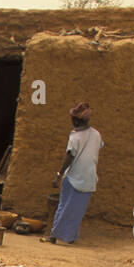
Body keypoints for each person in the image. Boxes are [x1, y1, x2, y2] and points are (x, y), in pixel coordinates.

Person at [44, 101, 103, 245]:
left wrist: (59, 175)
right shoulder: (96, 134)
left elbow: (69, 156)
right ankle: (70, 236)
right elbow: (97, 148)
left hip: (74, 177)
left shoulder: (75, 137)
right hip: (89, 178)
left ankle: (54, 235)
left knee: (64, 207)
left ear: (76, 120)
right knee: (77, 210)